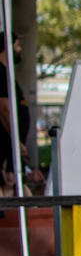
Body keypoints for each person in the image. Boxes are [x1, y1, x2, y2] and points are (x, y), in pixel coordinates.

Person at [0, 33, 31, 174]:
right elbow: (4, 109)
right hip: (6, 147)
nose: (20, 49)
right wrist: (16, 141)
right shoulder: (0, 72)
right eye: (17, 45)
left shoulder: (7, 73)